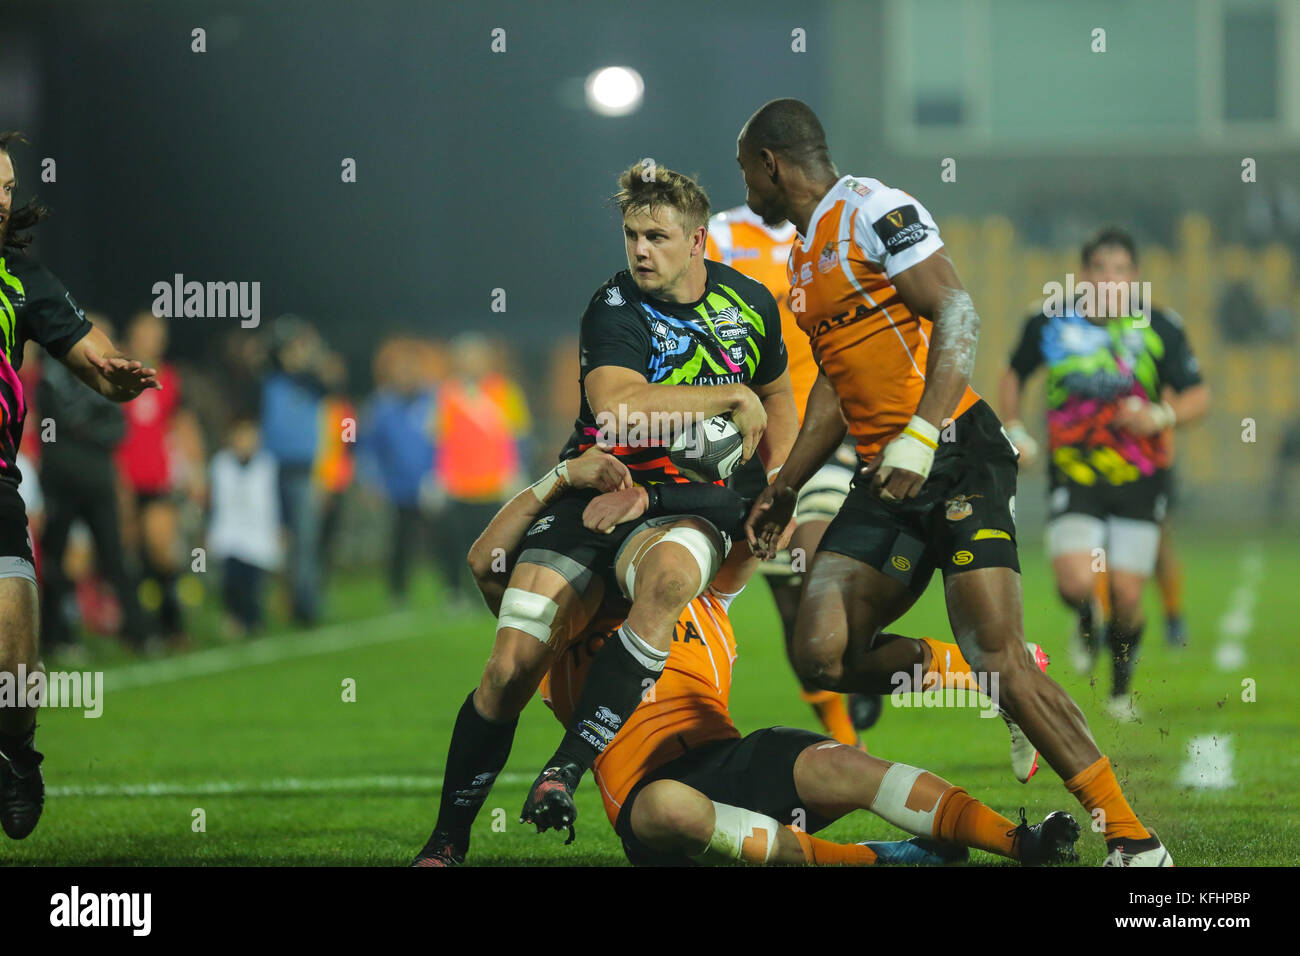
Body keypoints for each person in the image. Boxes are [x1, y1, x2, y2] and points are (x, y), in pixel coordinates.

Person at [737, 100, 1171, 866]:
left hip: (956, 449)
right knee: (822, 653)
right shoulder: (803, 259)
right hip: (884, 474)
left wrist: (921, 431)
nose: (746, 185)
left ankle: (1131, 838)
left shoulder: (873, 208)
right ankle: (981, 681)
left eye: (747, 168)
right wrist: (786, 484)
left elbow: (958, 309)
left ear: (772, 163)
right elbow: (836, 388)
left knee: (994, 653)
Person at [413, 450, 1081, 867]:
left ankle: (1019, 841)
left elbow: (757, 512)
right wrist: (561, 478)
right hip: (653, 801)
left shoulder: (699, 586)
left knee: (843, 763)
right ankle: (870, 860)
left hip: (730, 760)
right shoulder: (559, 632)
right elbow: (484, 560)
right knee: (669, 810)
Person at [508, 163, 800, 840]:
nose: (640, 250)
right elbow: (614, 407)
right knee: (510, 653)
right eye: (632, 235)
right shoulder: (614, 307)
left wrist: (781, 477)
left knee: (785, 615)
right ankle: (453, 834)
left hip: (702, 499)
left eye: (657, 237)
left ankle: (573, 765)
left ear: (698, 242)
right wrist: (729, 396)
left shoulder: (750, 303)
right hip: (613, 487)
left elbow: (779, 392)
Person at [0, 131, 159, 840]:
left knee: (12, 654)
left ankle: (15, 752)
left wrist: (116, 378)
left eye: (8, 187)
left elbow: (95, 360)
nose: (3, 199)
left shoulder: (23, 280)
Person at [999, 228, 1209, 717]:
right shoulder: (1047, 320)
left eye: (1120, 269)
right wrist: (1014, 427)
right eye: (1100, 268)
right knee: (1075, 582)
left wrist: (1160, 416)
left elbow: (1198, 395)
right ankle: (1086, 620)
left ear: (1134, 276)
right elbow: (1013, 372)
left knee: (1128, 595)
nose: (1109, 278)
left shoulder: (1162, 326)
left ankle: (1119, 688)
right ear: (1085, 273)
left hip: (1139, 481)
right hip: (1075, 477)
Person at [706, 204, 875, 746]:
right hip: (751, 443)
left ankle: (867, 649)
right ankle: (847, 737)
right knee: (792, 611)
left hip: (822, 428)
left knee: (818, 555)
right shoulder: (721, 235)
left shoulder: (836, 235)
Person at [37, 314, 149, 652]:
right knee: (54, 556)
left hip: (98, 478)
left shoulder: (110, 377)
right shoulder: (54, 372)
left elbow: (118, 429)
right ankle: (52, 635)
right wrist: (87, 426)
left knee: (114, 555)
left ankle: (139, 632)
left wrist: (84, 428)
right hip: (62, 477)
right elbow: (57, 422)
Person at [429, 335, 530, 607]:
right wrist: (437, 476)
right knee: (453, 542)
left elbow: (516, 436)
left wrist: (515, 470)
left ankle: (488, 592)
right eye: (465, 358)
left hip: (493, 483)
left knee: (493, 545)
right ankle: (453, 591)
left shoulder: (505, 391)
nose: (471, 364)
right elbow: (440, 438)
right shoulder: (446, 394)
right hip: (457, 483)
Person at [115, 310, 197, 645]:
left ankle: (172, 624)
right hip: (124, 480)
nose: (153, 339)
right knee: (130, 554)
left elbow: (181, 424)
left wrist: (194, 470)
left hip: (158, 481)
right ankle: (135, 627)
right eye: (146, 332)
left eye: (157, 333)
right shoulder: (117, 376)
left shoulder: (170, 379)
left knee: (163, 549)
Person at [260, 316, 327, 625]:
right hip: (266, 469)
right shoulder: (265, 381)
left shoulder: (314, 384)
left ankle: (306, 607)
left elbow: (332, 379)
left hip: (303, 470)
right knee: (270, 540)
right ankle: (263, 605)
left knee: (304, 541)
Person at [358, 341, 435, 603]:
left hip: (436, 484)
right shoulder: (380, 405)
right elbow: (367, 446)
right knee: (399, 540)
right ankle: (398, 591)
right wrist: (371, 480)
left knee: (449, 538)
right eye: (400, 371)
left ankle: (456, 589)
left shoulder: (436, 400)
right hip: (398, 485)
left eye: (410, 369)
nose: (406, 376)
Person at [207, 417, 280, 636]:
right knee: (232, 581)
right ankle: (235, 618)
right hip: (229, 533)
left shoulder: (267, 465)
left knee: (253, 583)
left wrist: (278, 530)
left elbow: (273, 501)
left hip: (258, 535)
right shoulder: (221, 465)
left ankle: (254, 621)